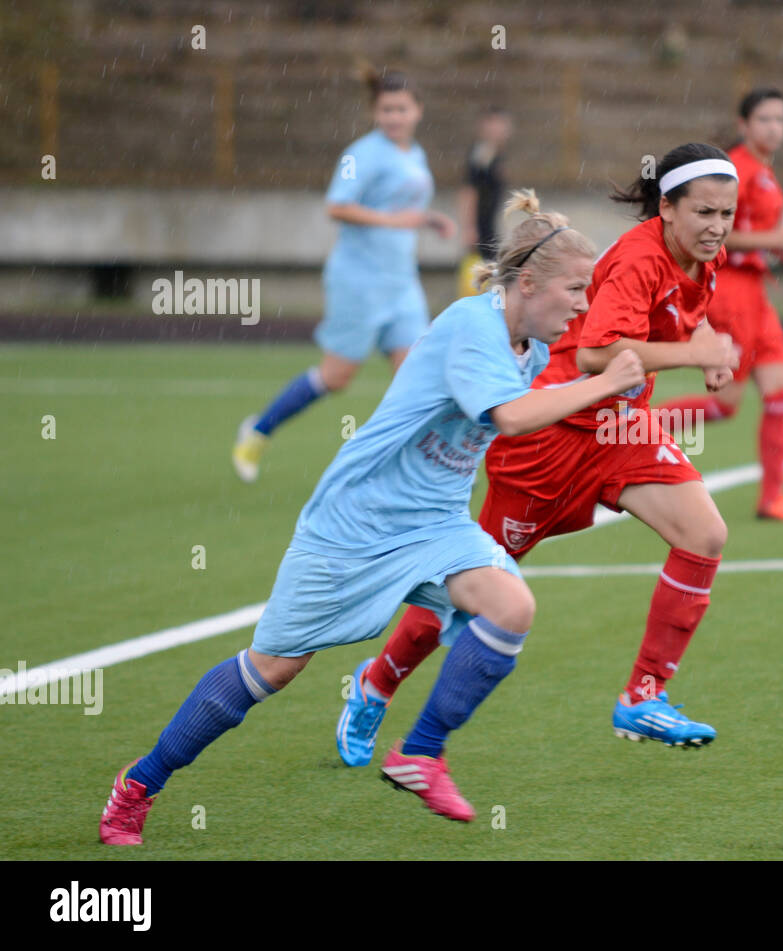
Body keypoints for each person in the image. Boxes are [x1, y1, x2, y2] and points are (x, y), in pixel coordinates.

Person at [100, 192, 646, 842]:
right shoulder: (473, 327)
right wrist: (608, 382)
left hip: (436, 522)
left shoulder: (522, 342)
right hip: (357, 521)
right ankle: (141, 781)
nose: (584, 305)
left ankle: (420, 752)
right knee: (274, 668)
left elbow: (526, 406)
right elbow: (510, 418)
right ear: (527, 282)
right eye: (575, 288)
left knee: (511, 607)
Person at [335, 143, 741, 766]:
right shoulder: (637, 259)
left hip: (619, 430)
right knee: (466, 592)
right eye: (705, 212)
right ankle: (377, 683)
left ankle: (643, 695)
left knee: (704, 534)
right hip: (547, 439)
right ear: (666, 208)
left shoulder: (702, 259)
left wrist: (708, 349)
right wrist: (696, 356)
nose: (717, 227)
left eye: (727, 214)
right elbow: (596, 356)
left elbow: (684, 323)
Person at [232, 62, 456, 483]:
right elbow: (337, 205)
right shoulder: (359, 155)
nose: (394, 117)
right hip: (359, 282)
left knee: (416, 375)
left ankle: (414, 468)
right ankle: (258, 430)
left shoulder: (415, 153)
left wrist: (428, 219)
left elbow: (398, 203)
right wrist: (397, 222)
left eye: (401, 109)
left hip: (400, 283)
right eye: (386, 110)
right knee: (337, 377)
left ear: (418, 110)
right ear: (375, 112)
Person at [653, 89, 783, 522]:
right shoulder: (734, 171)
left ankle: (773, 498)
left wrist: (774, 248)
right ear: (743, 125)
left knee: (780, 391)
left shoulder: (763, 172)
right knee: (725, 403)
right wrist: (775, 240)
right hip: (731, 290)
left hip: (757, 292)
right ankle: (634, 427)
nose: (774, 128)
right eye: (765, 119)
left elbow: (749, 231)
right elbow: (713, 232)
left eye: (780, 120)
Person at [457, 107, 513, 297]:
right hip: (481, 227)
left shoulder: (496, 154)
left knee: (493, 271)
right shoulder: (481, 155)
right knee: (485, 275)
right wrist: (469, 227)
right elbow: (469, 191)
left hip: (490, 225)